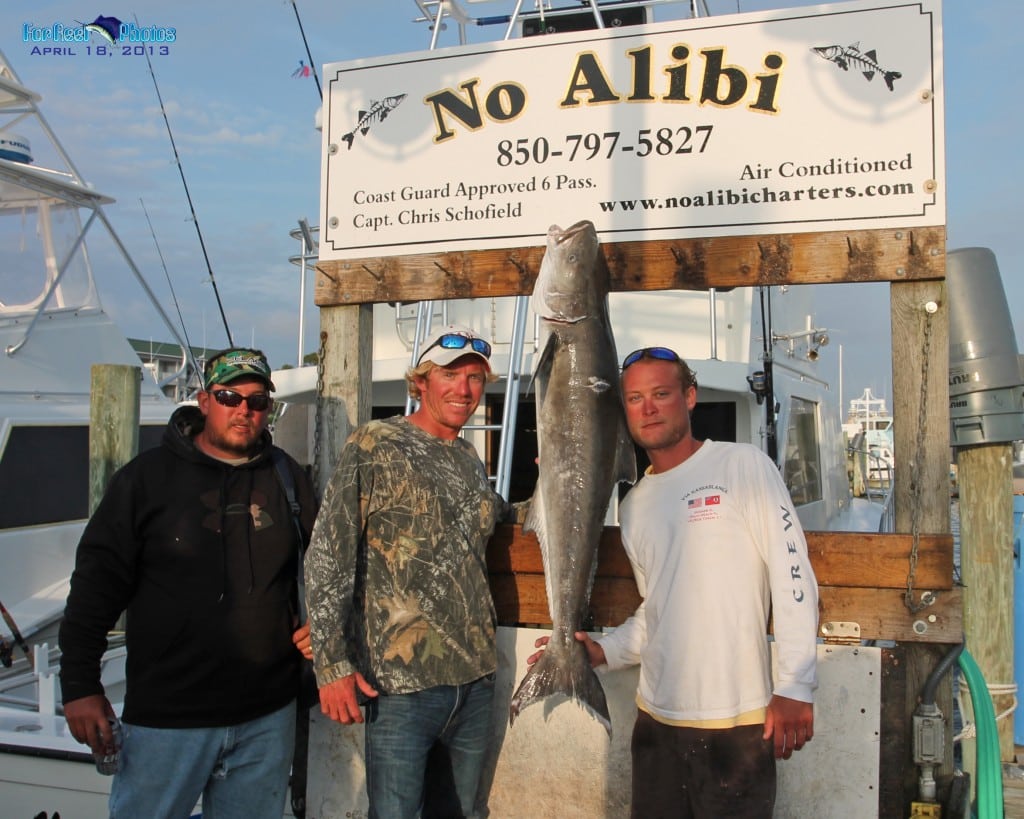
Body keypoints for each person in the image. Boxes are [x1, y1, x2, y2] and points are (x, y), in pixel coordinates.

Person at [529, 345, 819, 818]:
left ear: (689, 397)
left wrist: (796, 685)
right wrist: (607, 650)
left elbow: (793, 575)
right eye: (635, 398)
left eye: (661, 393)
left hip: (739, 724)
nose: (648, 408)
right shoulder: (634, 505)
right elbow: (656, 606)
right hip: (655, 723)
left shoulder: (743, 466)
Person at [59, 347, 318, 819]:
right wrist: (79, 685)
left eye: (258, 401)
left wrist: (319, 625)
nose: (244, 410)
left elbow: (320, 570)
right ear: (203, 402)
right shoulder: (144, 481)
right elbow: (94, 588)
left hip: (267, 716)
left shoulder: (287, 478)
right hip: (166, 720)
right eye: (229, 396)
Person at [305, 324, 508, 819]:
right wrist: (331, 665)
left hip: (476, 679)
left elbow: (493, 516)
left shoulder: (467, 457)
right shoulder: (377, 441)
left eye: (475, 378)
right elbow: (329, 550)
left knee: (465, 814)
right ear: (421, 381)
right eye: (450, 375)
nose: (464, 389)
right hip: (399, 687)